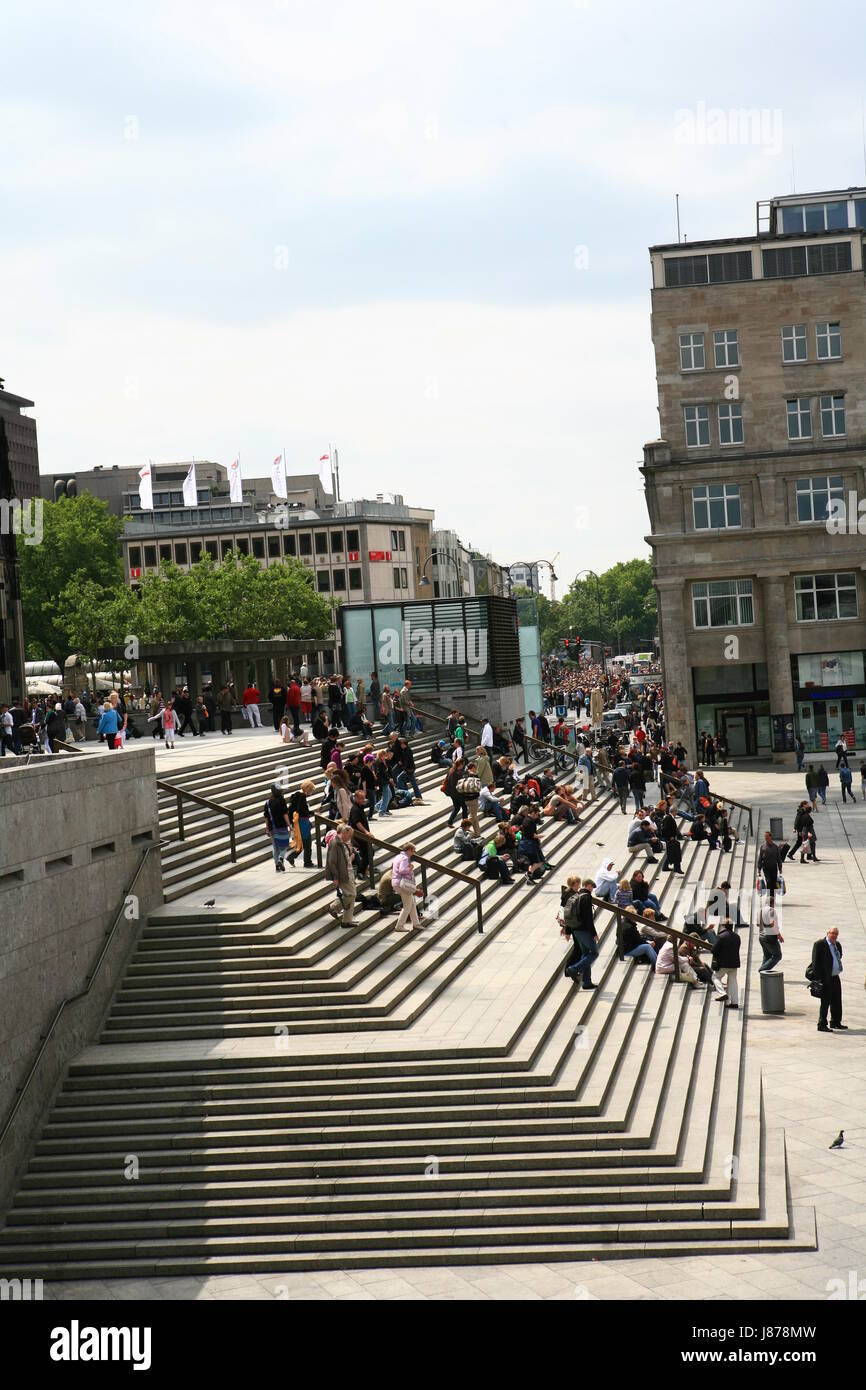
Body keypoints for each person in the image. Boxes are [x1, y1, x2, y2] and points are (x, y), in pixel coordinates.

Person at [562, 877, 598, 989]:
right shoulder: (586, 897)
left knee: (586, 953)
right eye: (592, 887)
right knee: (594, 953)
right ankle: (574, 968)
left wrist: (568, 931)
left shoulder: (575, 896)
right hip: (584, 930)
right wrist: (594, 933)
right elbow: (588, 918)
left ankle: (586, 982)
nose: (592, 889)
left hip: (575, 930)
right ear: (588, 886)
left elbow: (568, 916)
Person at [811, 926, 847, 1033]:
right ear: (827, 933)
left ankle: (835, 1022)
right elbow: (815, 962)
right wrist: (818, 979)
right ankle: (821, 1024)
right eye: (832, 933)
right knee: (825, 1002)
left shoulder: (837, 945)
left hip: (835, 977)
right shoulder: (820, 944)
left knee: (837, 1000)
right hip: (825, 978)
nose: (834, 936)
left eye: (836, 934)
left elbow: (839, 956)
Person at [325, 824, 356, 927]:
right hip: (342, 874)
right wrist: (335, 877)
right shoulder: (335, 844)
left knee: (351, 896)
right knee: (351, 895)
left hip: (348, 872)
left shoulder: (343, 843)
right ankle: (334, 907)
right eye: (349, 835)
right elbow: (332, 862)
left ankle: (347, 921)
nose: (350, 838)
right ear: (343, 833)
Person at [392, 842, 423, 932]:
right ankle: (399, 926)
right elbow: (402, 870)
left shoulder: (398, 856)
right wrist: (410, 868)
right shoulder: (405, 858)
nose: (414, 853)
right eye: (413, 851)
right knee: (407, 906)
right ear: (409, 850)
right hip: (402, 884)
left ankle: (416, 923)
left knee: (412, 903)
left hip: (397, 883)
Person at [711, 919, 741, 1008]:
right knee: (733, 981)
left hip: (723, 963)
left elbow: (714, 950)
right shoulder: (737, 936)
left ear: (723, 925)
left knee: (715, 977)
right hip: (734, 963)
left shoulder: (721, 936)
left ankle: (722, 993)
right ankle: (735, 1002)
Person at [287, 780, 315, 868]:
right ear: (307, 788)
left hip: (299, 822)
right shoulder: (302, 797)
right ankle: (307, 862)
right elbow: (302, 810)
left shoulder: (297, 796)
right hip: (302, 823)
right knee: (307, 843)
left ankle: (292, 857)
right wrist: (312, 813)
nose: (311, 792)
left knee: (303, 843)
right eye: (311, 789)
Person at [263, 785, 292, 872]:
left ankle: (277, 866)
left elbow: (266, 817)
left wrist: (267, 828)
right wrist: (290, 825)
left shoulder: (267, 802)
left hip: (272, 827)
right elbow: (285, 814)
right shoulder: (281, 800)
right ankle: (281, 858)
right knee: (284, 846)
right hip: (282, 826)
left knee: (275, 847)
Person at [757, 829, 783, 903]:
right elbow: (760, 858)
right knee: (768, 881)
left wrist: (780, 867)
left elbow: (779, 858)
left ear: (770, 837)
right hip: (766, 867)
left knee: (773, 882)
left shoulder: (775, 847)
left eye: (767, 837)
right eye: (765, 837)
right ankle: (769, 897)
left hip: (774, 867)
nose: (766, 838)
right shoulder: (763, 847)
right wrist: (759, 868)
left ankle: (773, 897)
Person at [758, 905, 783, 972]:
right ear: (773, 903)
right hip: (770, 937)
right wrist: (779, 935)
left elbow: (757, 924)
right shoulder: (771, 910)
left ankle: (763, 974)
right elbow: (772, 924)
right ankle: (762, 970)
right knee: (777, 956)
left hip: (761, 936)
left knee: (767, 956)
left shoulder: (761, 910)